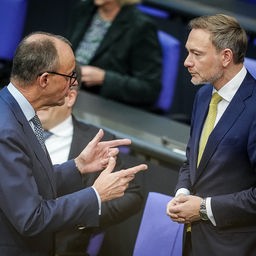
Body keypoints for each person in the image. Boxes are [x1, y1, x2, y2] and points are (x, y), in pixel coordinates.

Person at [0, 31, 147, 256]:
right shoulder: (7, 130)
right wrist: (95, 194)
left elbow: (29, 183)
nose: (73, 83)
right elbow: (30, 219)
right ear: (45, 80)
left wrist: (78, 166)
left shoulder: (15, 112)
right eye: (69, 76)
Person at [166, 14, 256, 256]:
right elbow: (191, 159)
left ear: (226, 56)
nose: (187, 62)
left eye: (197, 54)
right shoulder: (204, 96)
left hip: (235, 247)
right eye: (188, 52)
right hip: (192, 241)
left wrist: (205, 208)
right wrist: (183, 193)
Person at [37, 68, 143, 255]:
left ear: (70, 97)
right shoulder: (10, 129)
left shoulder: (96, 141)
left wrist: (82, 213)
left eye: (49, 88)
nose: (39, 98)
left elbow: (132, 196)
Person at [66, 0, 162, 109]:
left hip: (103, 105)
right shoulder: (84, 9)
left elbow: (149, 89)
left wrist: (104, 78)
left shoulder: (141, 26)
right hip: (68, 92)